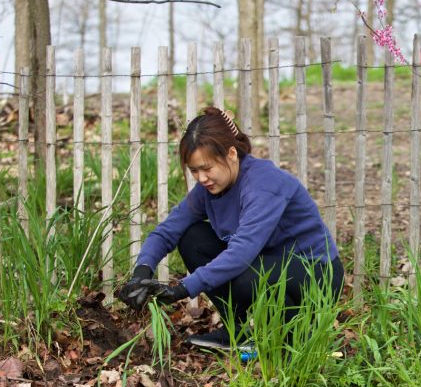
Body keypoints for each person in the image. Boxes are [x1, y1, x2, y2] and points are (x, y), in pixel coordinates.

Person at [118, 107, 343, 350]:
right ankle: (237, 332)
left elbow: (241, 253)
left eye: (207, 168)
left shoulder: (263, 184)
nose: (201, 178)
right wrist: (141, 273)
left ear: (232, 154)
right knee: (193, 238)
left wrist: (181, 290)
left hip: (316, 274)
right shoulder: (208, 190)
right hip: (266, 264)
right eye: (194, 170)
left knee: (248, 276)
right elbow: (167, 231)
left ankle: (290, 339)